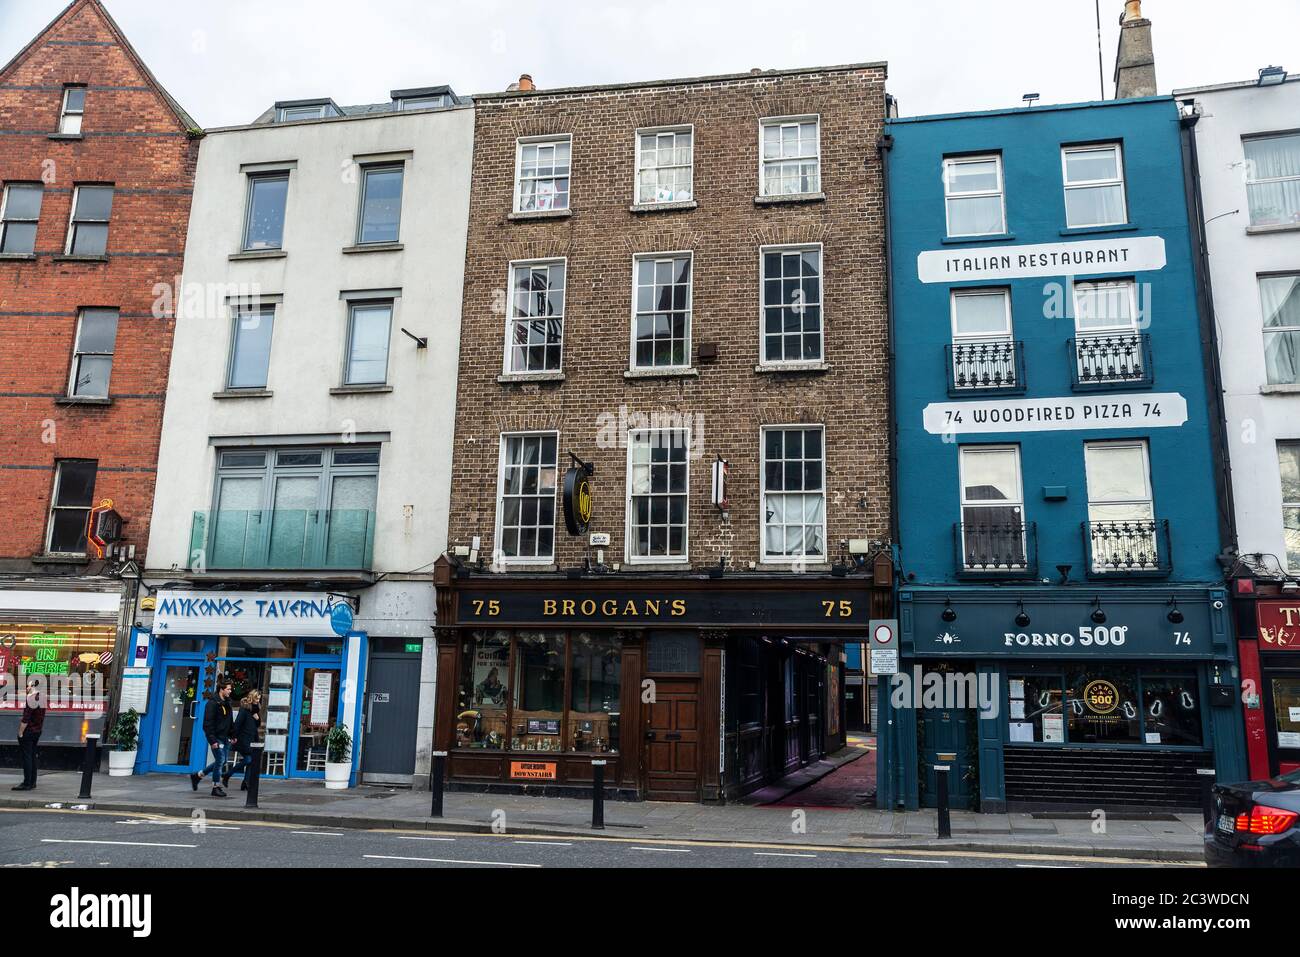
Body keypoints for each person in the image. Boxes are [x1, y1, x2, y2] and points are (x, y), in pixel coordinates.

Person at [191, 679, 234, 797]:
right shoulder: (212, 703)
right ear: (221, 689)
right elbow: (207, 723)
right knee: (220, 760)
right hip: (216, 737)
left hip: (225, 737)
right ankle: (215, 787)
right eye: (228, 689)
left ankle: (198, 775)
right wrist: (212, 740)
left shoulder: (227, 702)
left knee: (222, 760)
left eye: (230, 689)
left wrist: (232, 735)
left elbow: (230, 721)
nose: (230, 691)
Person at [224, 690, 261, 791]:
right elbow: (237, 723)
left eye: (259, 698)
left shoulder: (256, 709)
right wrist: (233, 736)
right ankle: (228, 775)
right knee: (249, 760)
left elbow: (257, 725)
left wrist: (257, 718)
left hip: (252, 738)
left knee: (250, 760)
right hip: (243, 739)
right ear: (251, 697)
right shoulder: (244, 709)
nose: (258, 700)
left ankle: (245, 782)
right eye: (256, 698)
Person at [13, 679, 44, 791]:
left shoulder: (31, 699)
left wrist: (20, 732)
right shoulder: (42, 698)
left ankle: (27, 783)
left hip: (29, 732)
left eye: (28, 686)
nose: (27, 688)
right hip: (37, 731)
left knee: (27, 757)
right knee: (32, 756)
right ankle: (32, 782)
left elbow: (26, 719)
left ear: (33, 686)